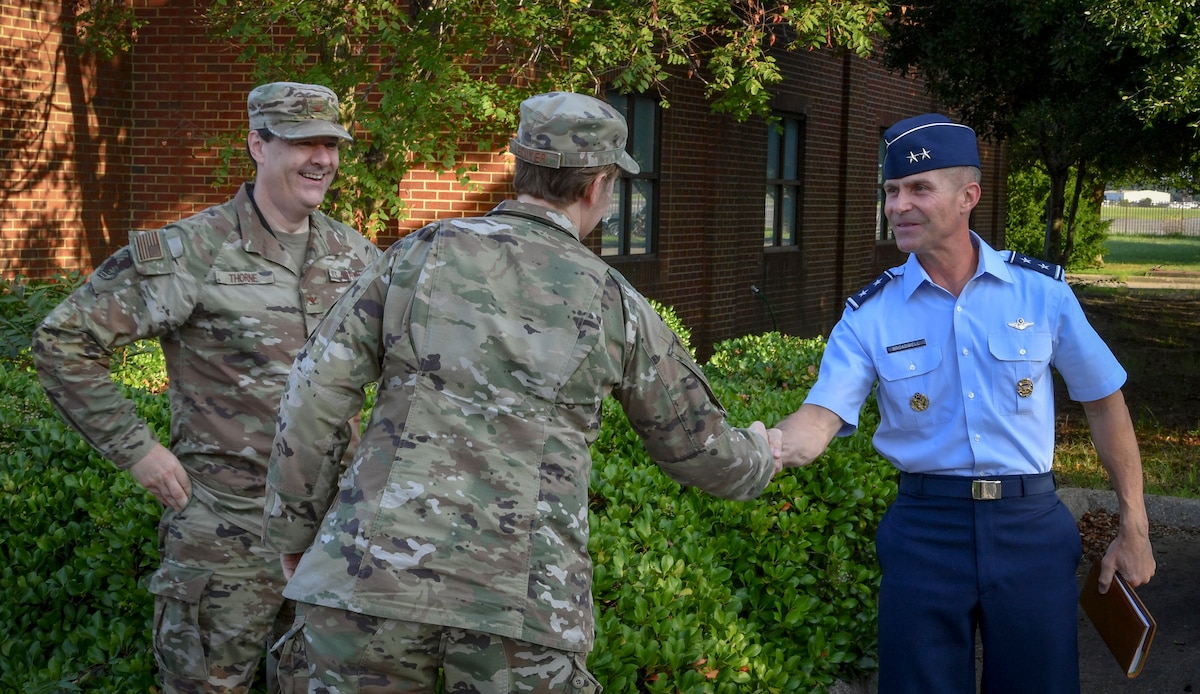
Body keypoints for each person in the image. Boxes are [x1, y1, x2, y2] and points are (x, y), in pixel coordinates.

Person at [262, 90, 778, 692]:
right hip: (521, 613)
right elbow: (702, 451)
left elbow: (312, 392)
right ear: (598, 187)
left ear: (520, 167)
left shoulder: (418, 255)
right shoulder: (614, 301)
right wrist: (766, 455)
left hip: (365, 584)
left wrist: (296, 536)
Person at [770, 113, 1156, 693]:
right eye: (892, 191)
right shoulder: (870, 314)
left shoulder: (1042, 294)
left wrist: (1136, 527)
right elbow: (820, 418)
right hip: (924, 534)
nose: (898, 205)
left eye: (918, 188)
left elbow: (1104, 401)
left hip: (1029, 527)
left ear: (967, 196)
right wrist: (766, 447)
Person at [32, 82, 381, 693]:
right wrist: (137, 451)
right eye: (303, 142)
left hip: (330, 543)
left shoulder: (357, 258)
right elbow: (63, 342)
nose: (322, 158)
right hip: (223, 536)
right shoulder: (189, 251)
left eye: (331, 143)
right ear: (258, 144)